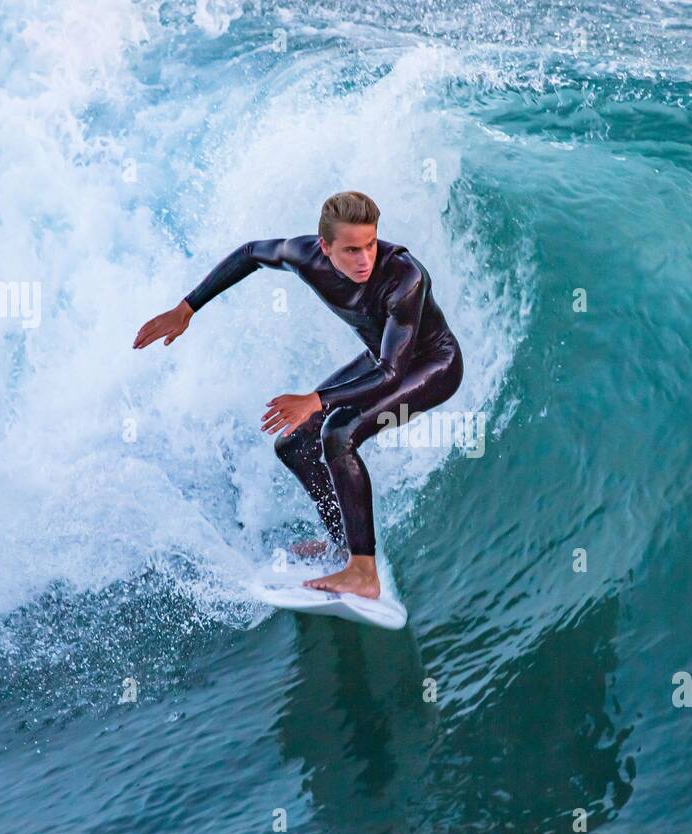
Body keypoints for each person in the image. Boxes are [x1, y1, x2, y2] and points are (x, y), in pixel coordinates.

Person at [133, 191, 463, 599]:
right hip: (380, 359)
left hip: (433, 365)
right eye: (352, 249)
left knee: (338, 433)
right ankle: (342, 545)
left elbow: (393, 373)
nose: (365, 260)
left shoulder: (404, 277)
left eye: (371, 245)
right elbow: (252, 252)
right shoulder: (305, 256)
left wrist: (316, 399)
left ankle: (364, 572)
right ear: (324, 248)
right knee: (293, 442)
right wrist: (187, 308)